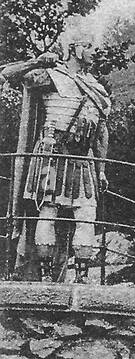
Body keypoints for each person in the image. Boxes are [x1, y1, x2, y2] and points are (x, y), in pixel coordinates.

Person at [1, 19, 112, 283]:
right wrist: (38, 61)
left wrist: (102, 169)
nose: (94, 51)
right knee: (47, 211)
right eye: (88, 45)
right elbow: (6, 74)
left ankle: (82, 277)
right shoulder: (52, 77)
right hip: (52, 153)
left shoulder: (96, 88)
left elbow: (101, 133)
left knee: (87, 214)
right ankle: (47, 276)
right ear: (73, 49)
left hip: (83, 158)